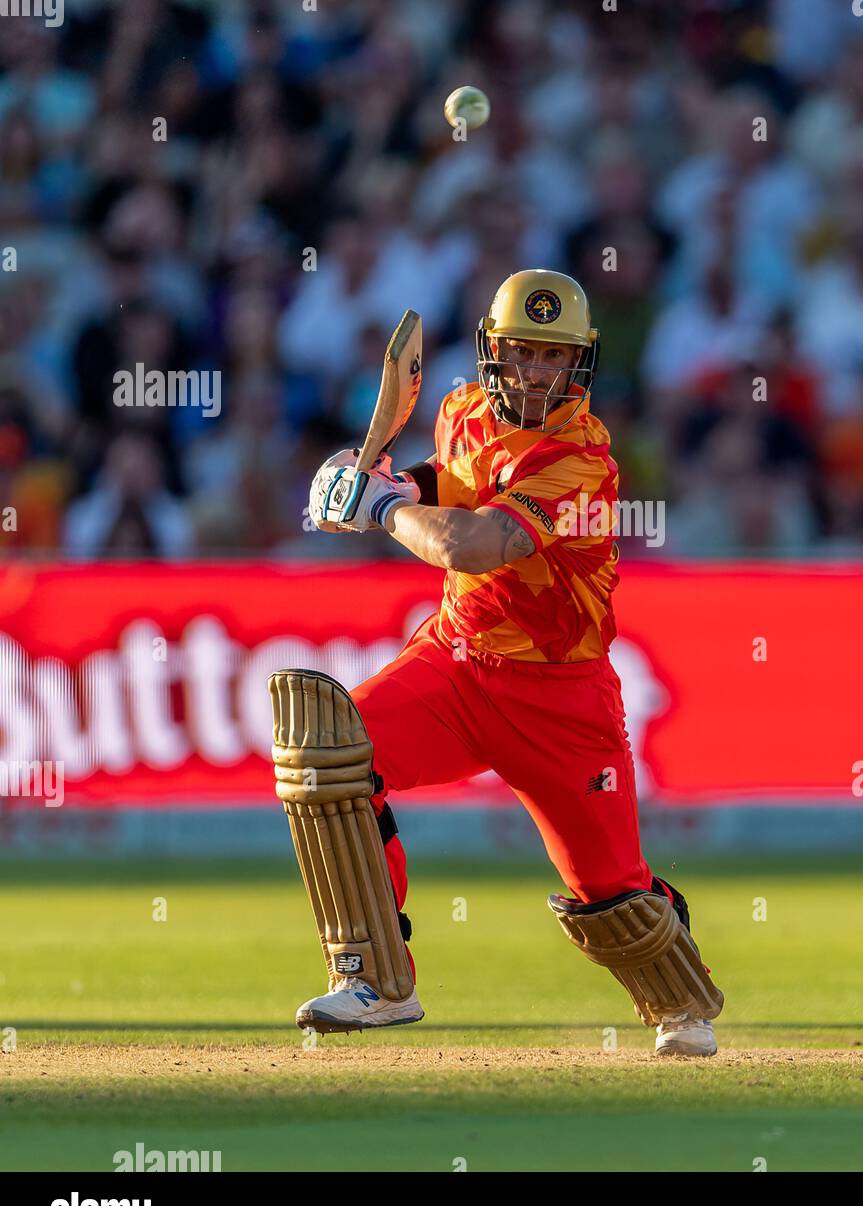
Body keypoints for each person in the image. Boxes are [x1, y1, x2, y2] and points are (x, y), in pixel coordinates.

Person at [270, 269, 723, 1056]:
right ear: (493, 352)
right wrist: (379, 478)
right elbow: (453, 484)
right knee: (329, 757)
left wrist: (378, 507)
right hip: (454, 662)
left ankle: (681, 996)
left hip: (560, 696)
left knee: (609, 895)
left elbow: (471, 543)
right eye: (521, 353)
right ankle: (373, 979)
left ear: (579, 363)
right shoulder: (461, 411)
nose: (536, 373)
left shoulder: (583, 462)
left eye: (554, 357)